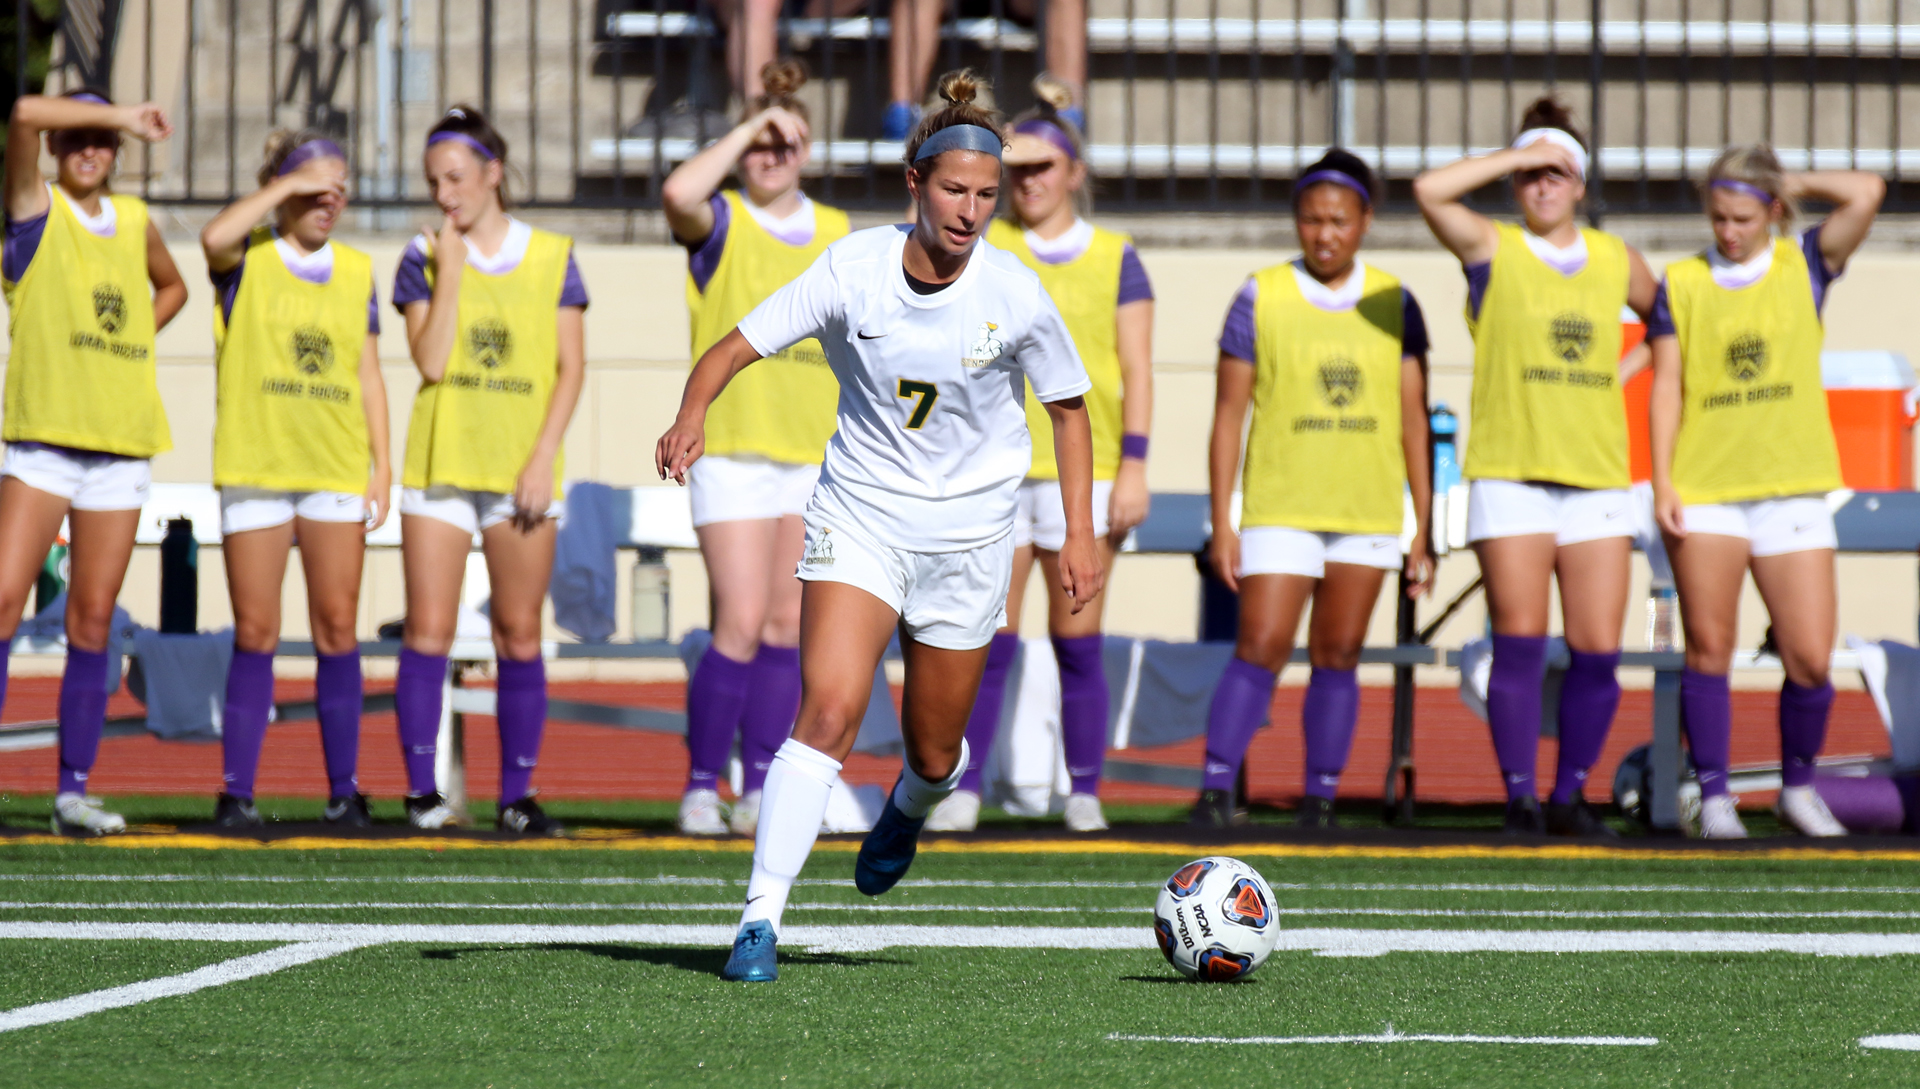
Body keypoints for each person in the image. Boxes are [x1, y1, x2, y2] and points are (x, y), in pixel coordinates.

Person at [657, 70, 1098, 982]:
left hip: (972, 535)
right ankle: (758, 921)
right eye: (954, 190)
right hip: (860, 513)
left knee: (936, 752)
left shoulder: (1015, 291)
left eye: (987, 194)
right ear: (914, 182)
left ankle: (911, 802)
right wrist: (690, 413)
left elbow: (1069, 409)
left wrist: (1080, 532)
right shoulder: (851, 268)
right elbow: (734, 345)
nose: (971, 210)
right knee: (827, 710)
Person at [1413, 97, 1657, 837]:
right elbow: (1430, 191)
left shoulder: (1616, 259)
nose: (1543, 185)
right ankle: (1520, 796)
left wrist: (1628, 368)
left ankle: (1569, 795)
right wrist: (1519, 154)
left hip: (1595, 481)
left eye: (1558, 172)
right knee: (1518, 641)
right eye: (1531, 174)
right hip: (1512, 475)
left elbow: (1674, 321)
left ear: (1581, 184)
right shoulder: (1494, 248)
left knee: (1596, 649)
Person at [926, 75, 1152, 833]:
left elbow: (1137, 366)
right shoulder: (981, 242)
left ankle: (1082, 787)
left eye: (1042, 168)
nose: (1027, 184)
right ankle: (965, 784)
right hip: (992, 465)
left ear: (1074, 173)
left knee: (1076, 632)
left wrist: (1138, 466)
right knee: (986, 632)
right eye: (1014, 171)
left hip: (1079, 469)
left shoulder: (1115, 255)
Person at [1193, 149, 1434, 829]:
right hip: (1281, 505)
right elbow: (1228, 418)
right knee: (1262, 645)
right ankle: (1215, 790)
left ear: (1364, 221)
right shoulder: (1259, 293)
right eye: (1310, 219)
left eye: (1338, 220)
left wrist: (1424, 525)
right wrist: (1225, 520)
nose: (1324, 233)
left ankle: (1320, 797)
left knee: (1339, 653)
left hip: (1365, 508)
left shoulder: (1396, 301)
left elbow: (1415, 420)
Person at [1647, 149, 1883, 839]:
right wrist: (1664, 480)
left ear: (1771, 211)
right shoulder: (1683, 280)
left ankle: (1798, 788)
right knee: (1708, 649)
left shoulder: (1802, 263)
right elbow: (1667, 383)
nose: (1728, 230)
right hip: (1709, 487)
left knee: (1810, 655)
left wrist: (1788, 179)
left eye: (1743, 215)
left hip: (1792, 490)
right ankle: (1716, 797)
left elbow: (1867, 192)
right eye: (1718, 216)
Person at [660, 60, 853, 837]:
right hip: (734, 448)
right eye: (762, 145)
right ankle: (702, 783)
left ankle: (762, 783)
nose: (774, 155)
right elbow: (677, 194)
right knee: (737, 619)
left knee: (783, 626)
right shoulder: (725, 218)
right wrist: (751, 121)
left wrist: (783, 119)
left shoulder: (839, 231)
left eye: (788, 142)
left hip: (812, 454)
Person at [390, 106, 588, 836]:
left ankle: (517, 797)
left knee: (518, 632)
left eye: (457, 178)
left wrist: (541, 458)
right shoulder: (423, 254)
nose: (446, 193)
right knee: (428, 632)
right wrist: (451, 264)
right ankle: (421, 795)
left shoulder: (554, 254)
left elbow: (571, 369)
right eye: (434, 181)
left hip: (519, 471)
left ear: (492, 173)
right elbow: (432, 359)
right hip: (441, 464)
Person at [0, 89, 186, 836]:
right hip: (44, 442)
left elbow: (171, 286)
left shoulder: (135, 220)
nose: (90, 150)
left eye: (102, 141)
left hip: (119, 447)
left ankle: (72, 791)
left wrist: (135, 335)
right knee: (5, 599)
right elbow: (20, 113)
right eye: (77, 136)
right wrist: (118, 117)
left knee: (92, 619)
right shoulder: (34, 207)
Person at [198, 130, 391, 829]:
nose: (329, 197)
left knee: (338, 626)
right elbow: (213, 233)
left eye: (340, 186)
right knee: (257, 629)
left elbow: (368, 372)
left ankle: (345, 788)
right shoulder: (246, 258)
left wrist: (383, 464)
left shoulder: (357, 269)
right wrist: (288, 182)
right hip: (257, 462)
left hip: (334, 466)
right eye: (316, 184)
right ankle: (236, 789)